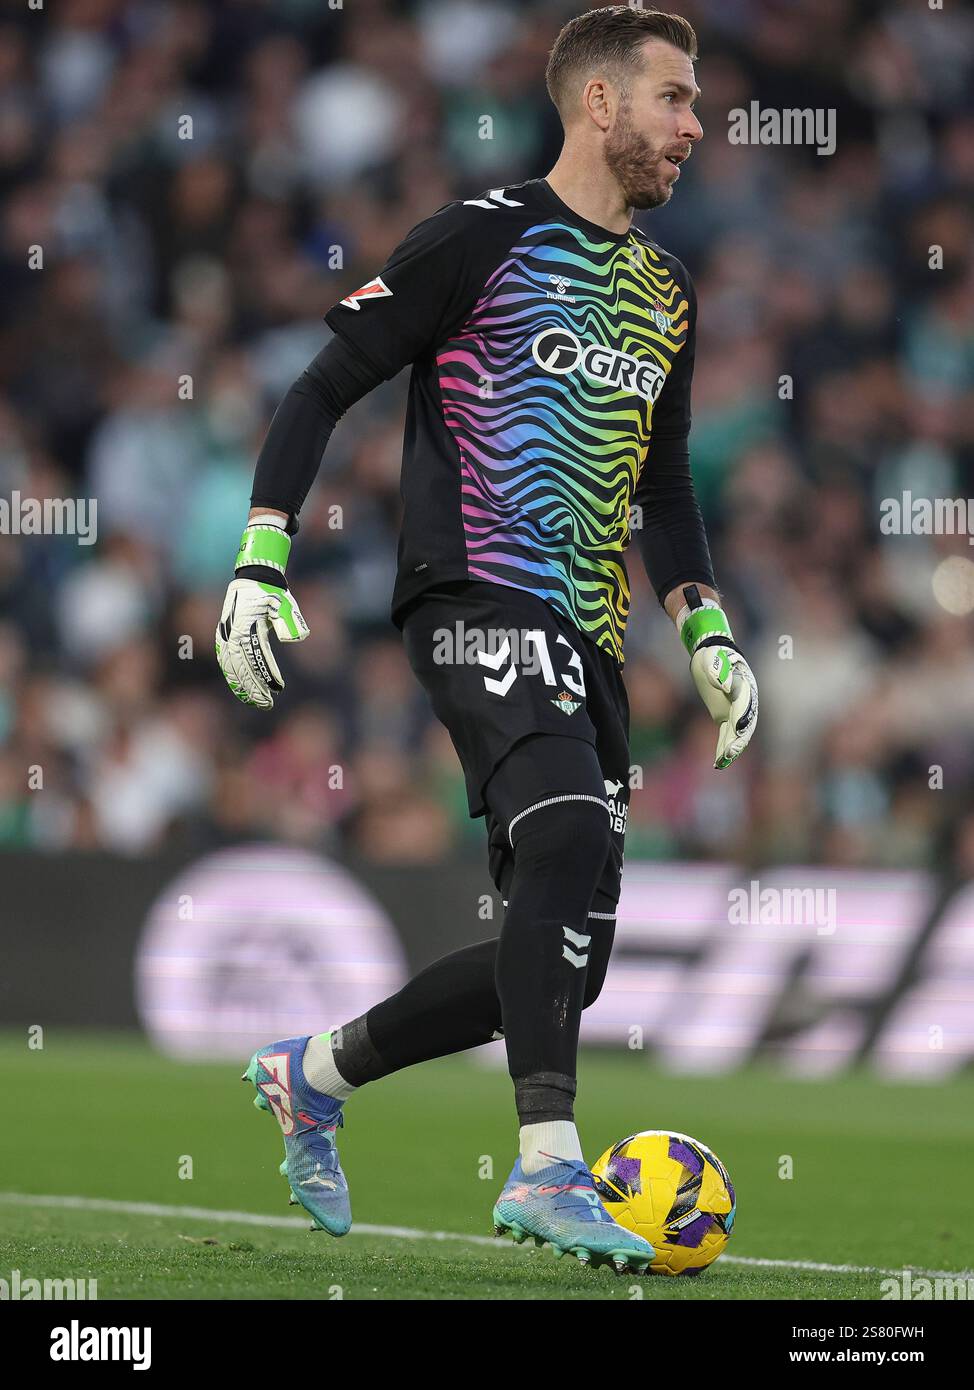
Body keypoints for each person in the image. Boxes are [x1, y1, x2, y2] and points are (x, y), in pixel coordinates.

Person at [218, 6, 757, 1273]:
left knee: (572, 960)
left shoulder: (668, 294)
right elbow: (321, 385)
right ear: (598, 105)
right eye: (673, 98)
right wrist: (259, 552)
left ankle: (315, 1071)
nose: (694, 124)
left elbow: (663, 487)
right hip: (469, 593)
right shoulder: (477, 239)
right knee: (564, 832)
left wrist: (711, 630)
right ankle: (546, 1167)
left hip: (594, 632)